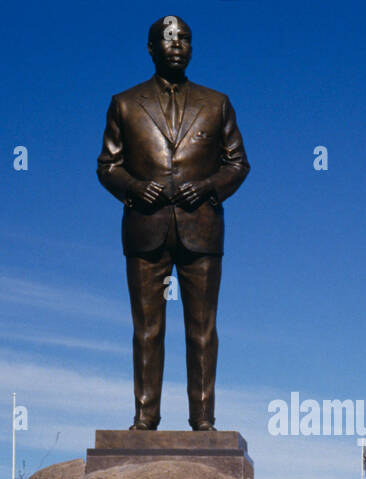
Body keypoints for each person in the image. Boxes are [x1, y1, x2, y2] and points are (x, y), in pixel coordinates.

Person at [97, 15, 250, 430]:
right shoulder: (125, 103)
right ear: (150, 48)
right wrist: (133, 187)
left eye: (184, 38)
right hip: (146, 228)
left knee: (202, 330)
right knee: (147, 330)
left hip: (201, 230)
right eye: (168, 39)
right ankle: (145, 418)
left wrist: (206, 187)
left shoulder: (216, 103)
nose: (177, 45)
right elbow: (107, 166)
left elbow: (237, 164)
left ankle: (203, 420)